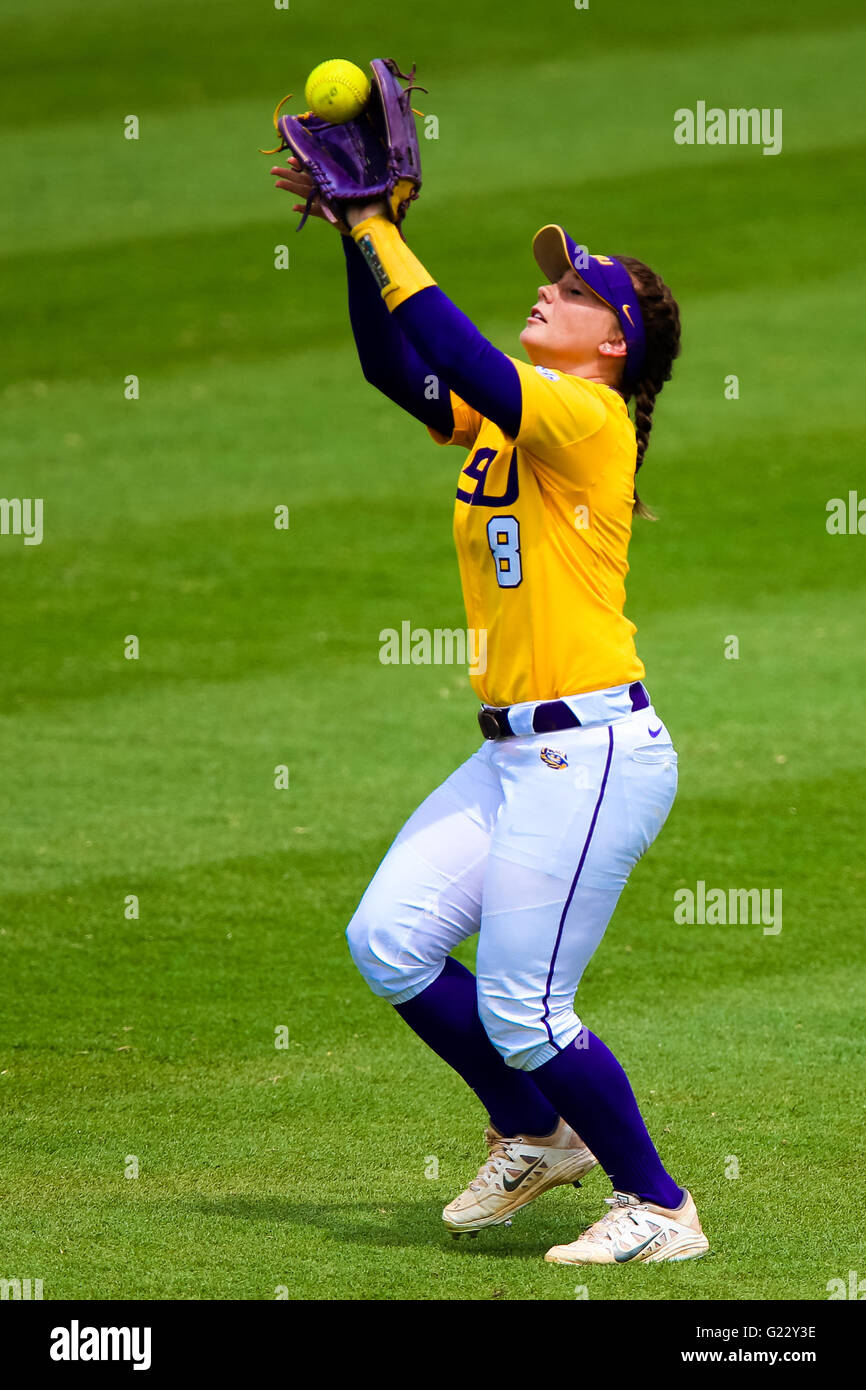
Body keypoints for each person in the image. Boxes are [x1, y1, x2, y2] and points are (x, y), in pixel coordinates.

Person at [271, 157, 709, 1265]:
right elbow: (399, 365)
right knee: (389, 940)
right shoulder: (506, 415)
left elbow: (457, 344)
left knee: (526, 1008)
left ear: (611, 343)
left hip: (593, 751)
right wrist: (347, 232)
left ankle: (657, 1207)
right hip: (516, 758)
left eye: (573, 292)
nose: (547, 293)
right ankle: (531, 1130)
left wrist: (376, 223)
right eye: (552, 282)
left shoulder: (587, 419)